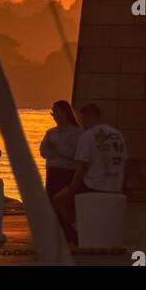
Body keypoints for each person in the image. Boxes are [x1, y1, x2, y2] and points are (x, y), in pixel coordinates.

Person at [52, 103, 127, 243]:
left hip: (94, 185)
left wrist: (71, 190)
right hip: (115, 185)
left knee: (59, 199)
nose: (81, 122)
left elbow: (82, 167)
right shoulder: (117, 135)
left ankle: (79, 229)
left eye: (82, 119)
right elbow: (125, 163)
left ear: (87, 116)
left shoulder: (87, 136)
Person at [40, 100, 83, 243]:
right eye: (52, 113)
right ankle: (57, 236)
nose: (53, 116)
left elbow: (74, 153)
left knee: (66, 202)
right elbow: (44, 152)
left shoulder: (77, 133)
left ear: (64, 113)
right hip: (53, 172)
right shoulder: (50, 132)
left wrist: (57, 148)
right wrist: (60, 150)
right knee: (51, 204)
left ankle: (72, 234)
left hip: (68, 172)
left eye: (55, 112)